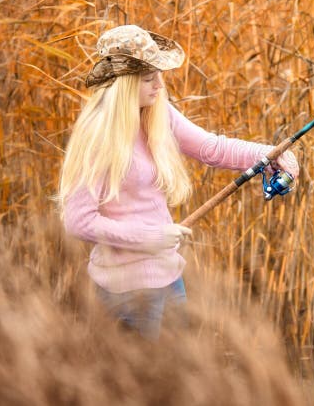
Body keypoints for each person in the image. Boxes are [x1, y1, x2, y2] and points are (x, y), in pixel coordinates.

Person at [57, 25, 298, 340]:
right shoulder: (98, 138)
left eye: (159, 74)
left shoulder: (156, 113)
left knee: (181, 382)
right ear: (124, 85)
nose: (159, 84)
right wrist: (149, 238)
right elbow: (77, 222)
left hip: (169, 279)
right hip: (127, 295)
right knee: (144, 386)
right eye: (148, 78)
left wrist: (271, 153)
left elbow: (211, 147)